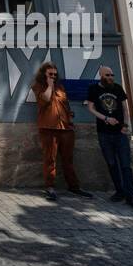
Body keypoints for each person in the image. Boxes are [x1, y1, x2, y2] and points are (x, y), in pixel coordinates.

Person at [32, 61, 92, 202]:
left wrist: (70, 117)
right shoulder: (38, 86)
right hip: (48, 128)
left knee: (68, 160)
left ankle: (74, 186)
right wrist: (50, 85)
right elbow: (46, 99)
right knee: (50, 159)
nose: (53, 76)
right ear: (44, 74)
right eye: (50, 74)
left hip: (65, 128)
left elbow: (65, 104)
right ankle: (50, 187)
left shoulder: (61, 87)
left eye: (55, 74)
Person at [84, 66, 133, 209]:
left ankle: (131, 196)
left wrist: (126, 125)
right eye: (107, 75)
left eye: (112, 75)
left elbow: (125, 109)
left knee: (126, 165)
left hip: (120, 132)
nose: (111, 77)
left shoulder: (118, 88)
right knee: (112, 163)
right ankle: (119, 191)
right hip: (104, 133)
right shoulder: (94, 89)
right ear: (101, 76)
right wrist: (106, 118)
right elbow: (91, 108)